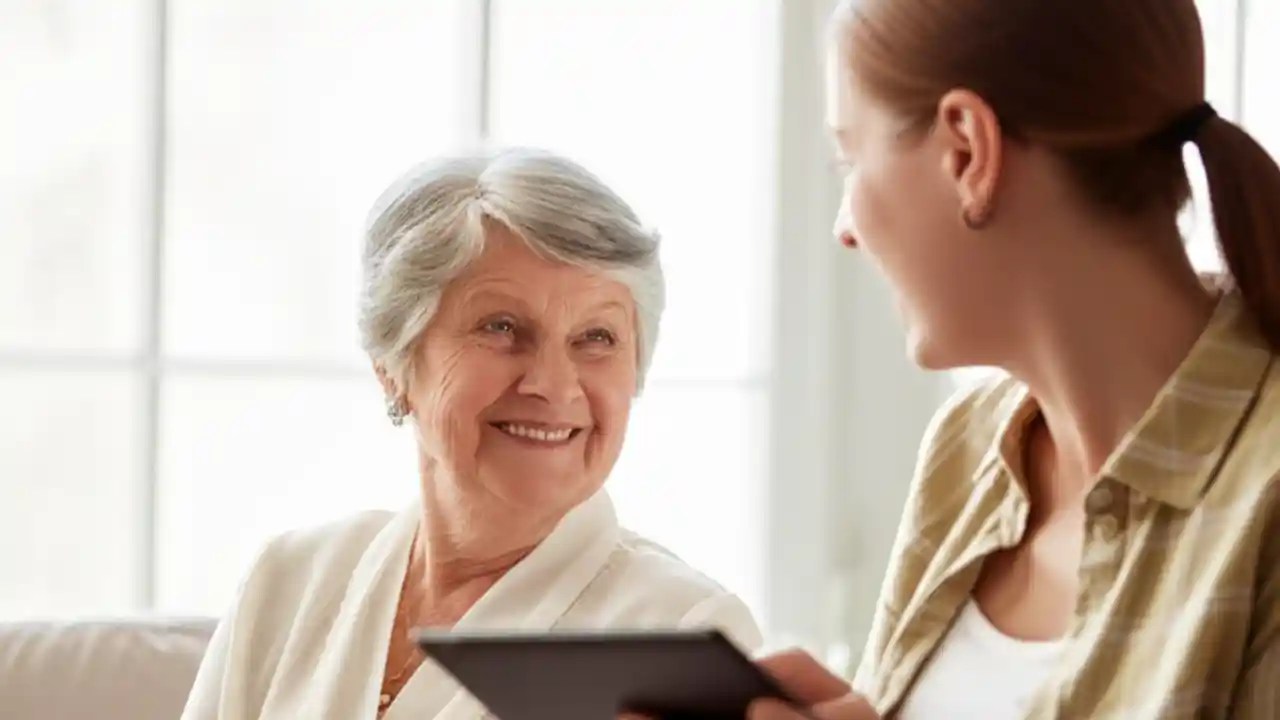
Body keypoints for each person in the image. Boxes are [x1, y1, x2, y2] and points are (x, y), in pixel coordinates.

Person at [740, 0, 1280, 718]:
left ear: (967, 151)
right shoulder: (966, 454)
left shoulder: (1264, 497)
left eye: (850, 158)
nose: (846, 228)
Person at [179, 148, 761, 720]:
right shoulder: (289, 580)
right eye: (501, 327)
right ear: (394, 362)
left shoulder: (685, 639)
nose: (554, 386)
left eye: (597, 338)